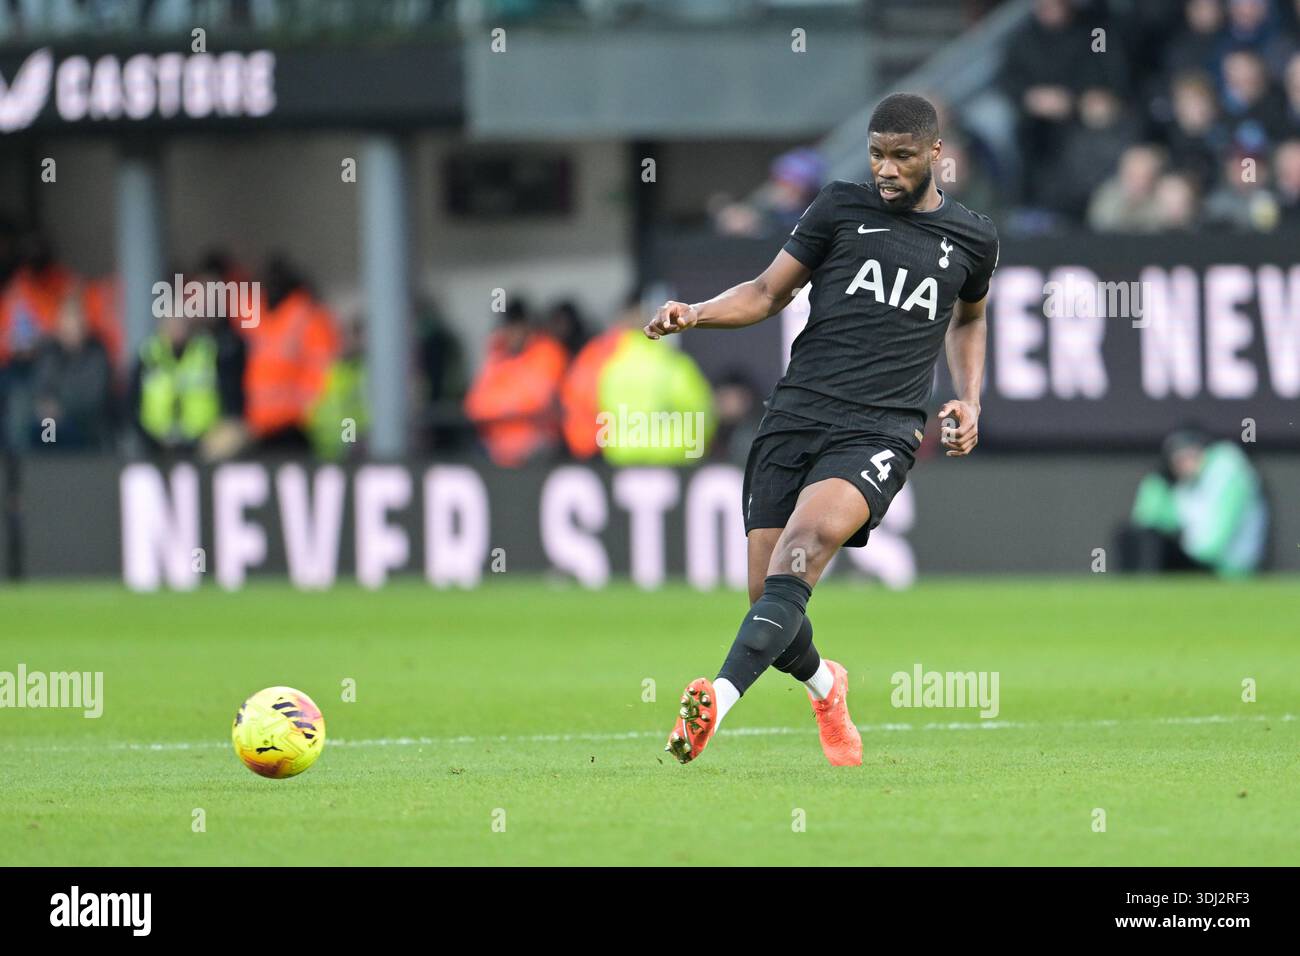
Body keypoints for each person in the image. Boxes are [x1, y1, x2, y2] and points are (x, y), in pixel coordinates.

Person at [645, 93, 997, 767]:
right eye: (876, 155)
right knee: (768, 604)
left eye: (900, 157)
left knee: (802, 551)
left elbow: (971, 318)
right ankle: (825, 683)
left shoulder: (973, 237)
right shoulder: (838, 208)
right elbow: (765, 292)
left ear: (934, 155)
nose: (886, 170)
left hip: (879, 430)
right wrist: (697, 313)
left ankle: (715, 698)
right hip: (796, 414)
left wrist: (970, 400)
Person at [1119, 428, 1268, 577]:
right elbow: (1149, 522)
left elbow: (1215, 545)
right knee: (1128, 533)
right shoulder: (1186, 486)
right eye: (1178, 460)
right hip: (1199, 560)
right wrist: (1154, 486)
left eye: (1189, 455)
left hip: (1230, 568)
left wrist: (1188, 554)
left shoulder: (1228, 471)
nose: (1185, 464)